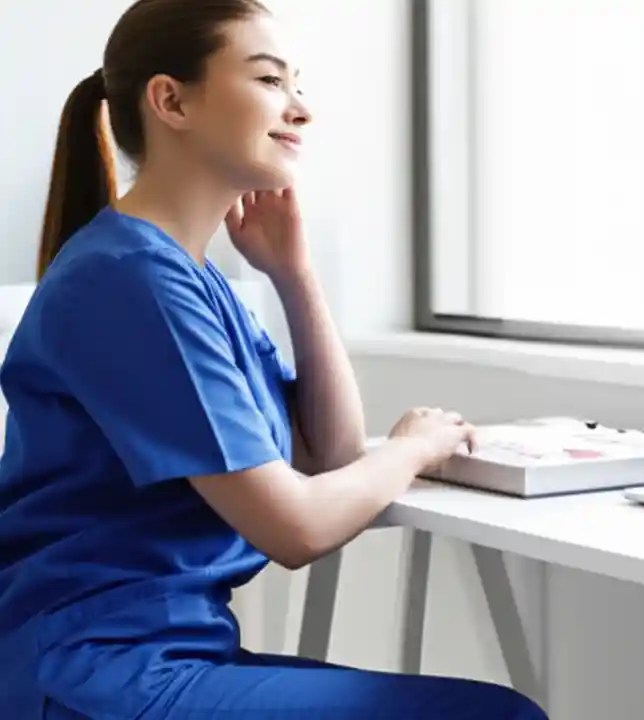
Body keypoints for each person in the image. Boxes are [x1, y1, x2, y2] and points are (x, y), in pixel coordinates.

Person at [0, 1, 546, 718]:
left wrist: (294, 274)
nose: (301, 110)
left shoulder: (189, 280)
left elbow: (329, 451)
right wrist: (412, 450)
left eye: (297, 84)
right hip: (95, 674)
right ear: (171, 100)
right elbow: (296, 529)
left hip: (158, 656)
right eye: (269, 80)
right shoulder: (131, 278)